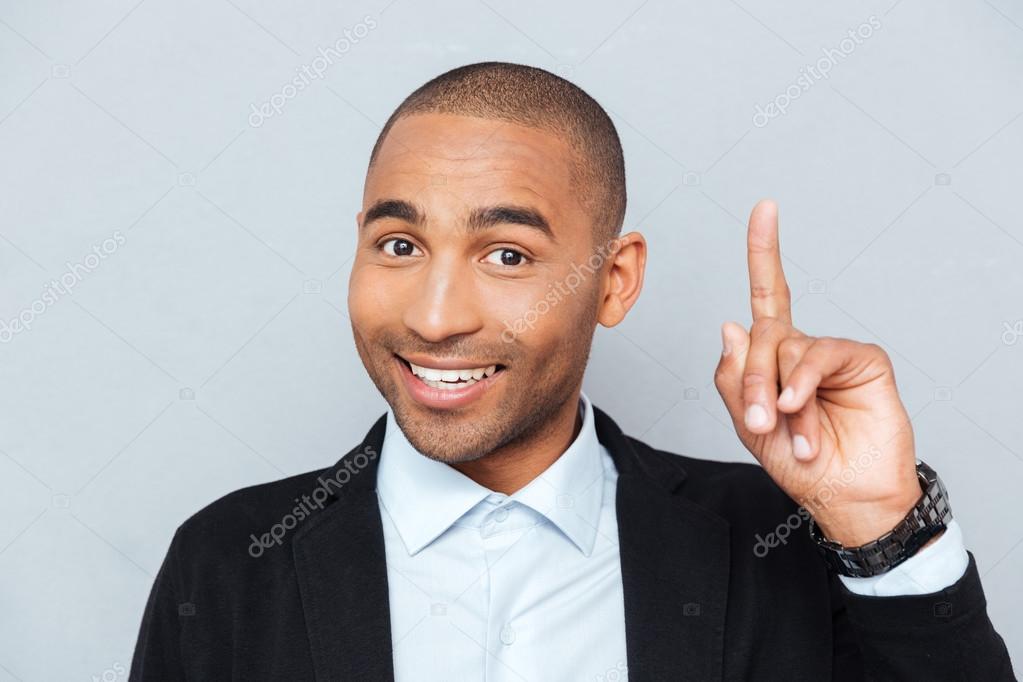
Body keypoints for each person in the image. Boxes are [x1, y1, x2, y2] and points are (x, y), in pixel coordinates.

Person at [129, 62, 1016, 681]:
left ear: (614, 280)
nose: (434, 317)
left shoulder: (780, 550)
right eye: (398, 244)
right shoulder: (230, 561)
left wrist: (880, 528)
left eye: (506, 255)